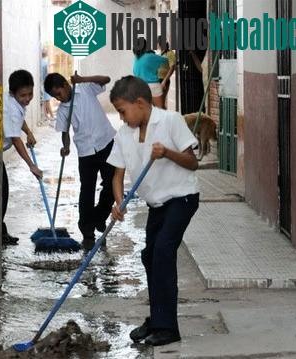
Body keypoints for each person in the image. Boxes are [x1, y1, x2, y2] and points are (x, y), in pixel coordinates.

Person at [107, 76, 199, 346]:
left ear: (140, 103)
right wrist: (118, 202)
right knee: (150, 256)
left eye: (123, 111)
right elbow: (117, 175)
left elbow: (192, 163)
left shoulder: (170, 121)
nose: (122, 118)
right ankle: (157, 318)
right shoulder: (124, 134)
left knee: (161, 254)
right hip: (156, 204)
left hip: (182, 198)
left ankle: (168, 328)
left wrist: (167, 153)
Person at [44, 72, 116, 250]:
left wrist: (83, 79)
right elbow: (65, 132)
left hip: (106, 142)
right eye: (54, 97)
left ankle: (99, 216)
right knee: (87, 191)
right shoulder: (62, 110)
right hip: (85, 151)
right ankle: (87, 231)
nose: (58, 98)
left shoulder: (85, 88)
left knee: (112, 185)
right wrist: (65, 146)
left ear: (66, 85)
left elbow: (107, 79)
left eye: (59, 93)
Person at [3, 70, 43, 245]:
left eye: (30, 94)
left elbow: (20, 119)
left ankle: (0, 232)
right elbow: (15, 139)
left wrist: (28, 131)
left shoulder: (14, 103)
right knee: (1, 194)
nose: (27, 99)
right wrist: (31, 165)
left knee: (2, 193)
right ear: (13, 93)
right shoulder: (12, 108)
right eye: (23, 95)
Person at [133, 39, 169, 109]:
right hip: (153, 86)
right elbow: (166, 61)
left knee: (146, 111)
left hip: (140, 87)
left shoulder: (136, 58)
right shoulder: (150, 56)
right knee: (160, 110)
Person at [156, 35, 176, 109]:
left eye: (157, 43)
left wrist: (164, 81)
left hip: (163, 80)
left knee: (161, 103)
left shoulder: (170, 53)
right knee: (158, 103)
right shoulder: (159, 54)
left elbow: (172, 67)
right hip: (157, 80)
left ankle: (164, 119)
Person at [40, 48, 54, 120]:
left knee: (45, 100)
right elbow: (48, 73)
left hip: (41, 83)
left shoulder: (39, 62)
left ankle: (46, 115)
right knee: (47, 100)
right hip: (46, 82)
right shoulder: (46, 62)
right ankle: (51, 115)